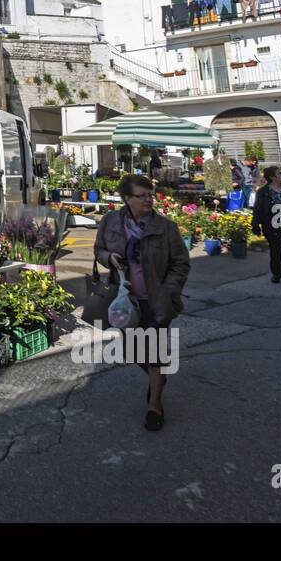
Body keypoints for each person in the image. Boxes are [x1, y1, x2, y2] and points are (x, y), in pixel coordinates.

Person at [93, 173, 190, 432]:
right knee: (135, 352)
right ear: (127, 198)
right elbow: (98, 250)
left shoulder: (165, 227)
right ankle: (158, 378)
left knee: (155, 355)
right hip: (126, 301)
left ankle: (154, 406)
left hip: (156, 300)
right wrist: (109, 258)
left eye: (150, 194)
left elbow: (181, 262)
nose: (149, 199)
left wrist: (169, 291)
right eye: (142, 195)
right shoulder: (111, 222)